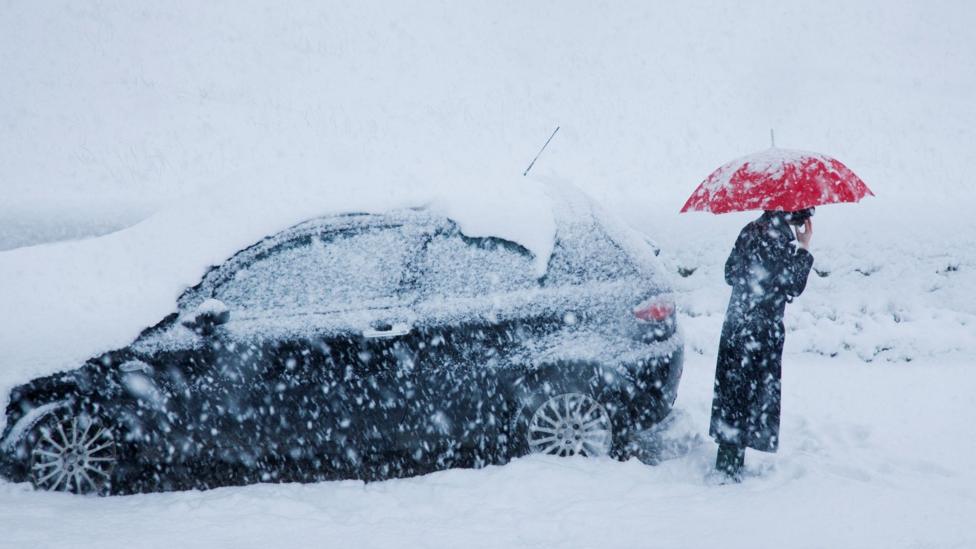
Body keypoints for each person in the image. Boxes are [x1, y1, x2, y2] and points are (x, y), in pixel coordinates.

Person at [710, 207, 815, 481]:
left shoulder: (751, 229)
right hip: (761, 329)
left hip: (736, 324)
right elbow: (792, 284)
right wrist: (803, 248)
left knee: (733, 393)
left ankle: (728, 460)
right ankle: (730, 469)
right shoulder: (778, 238)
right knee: (750, 395)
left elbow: (730, 273)